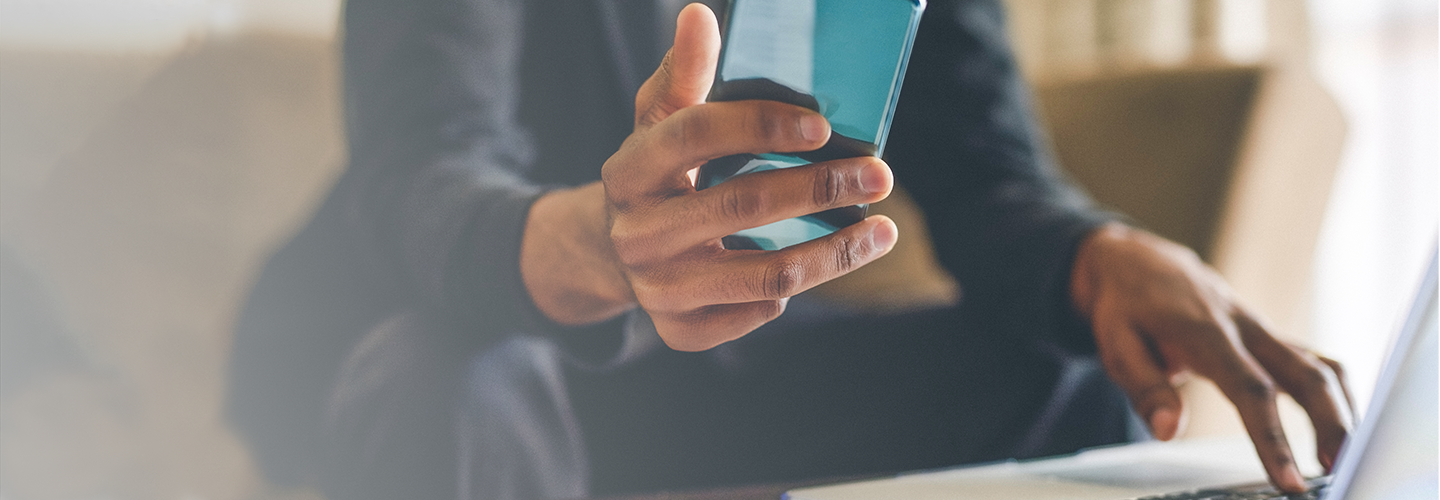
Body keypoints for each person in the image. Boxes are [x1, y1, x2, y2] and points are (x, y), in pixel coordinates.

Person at [225, 1, 1356, 499]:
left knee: (1056, 374)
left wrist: (1097, 254)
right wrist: (603, 247)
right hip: (475, 325)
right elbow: (422, 167)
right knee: (453, 376)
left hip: (728, 365)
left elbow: (990, 179)